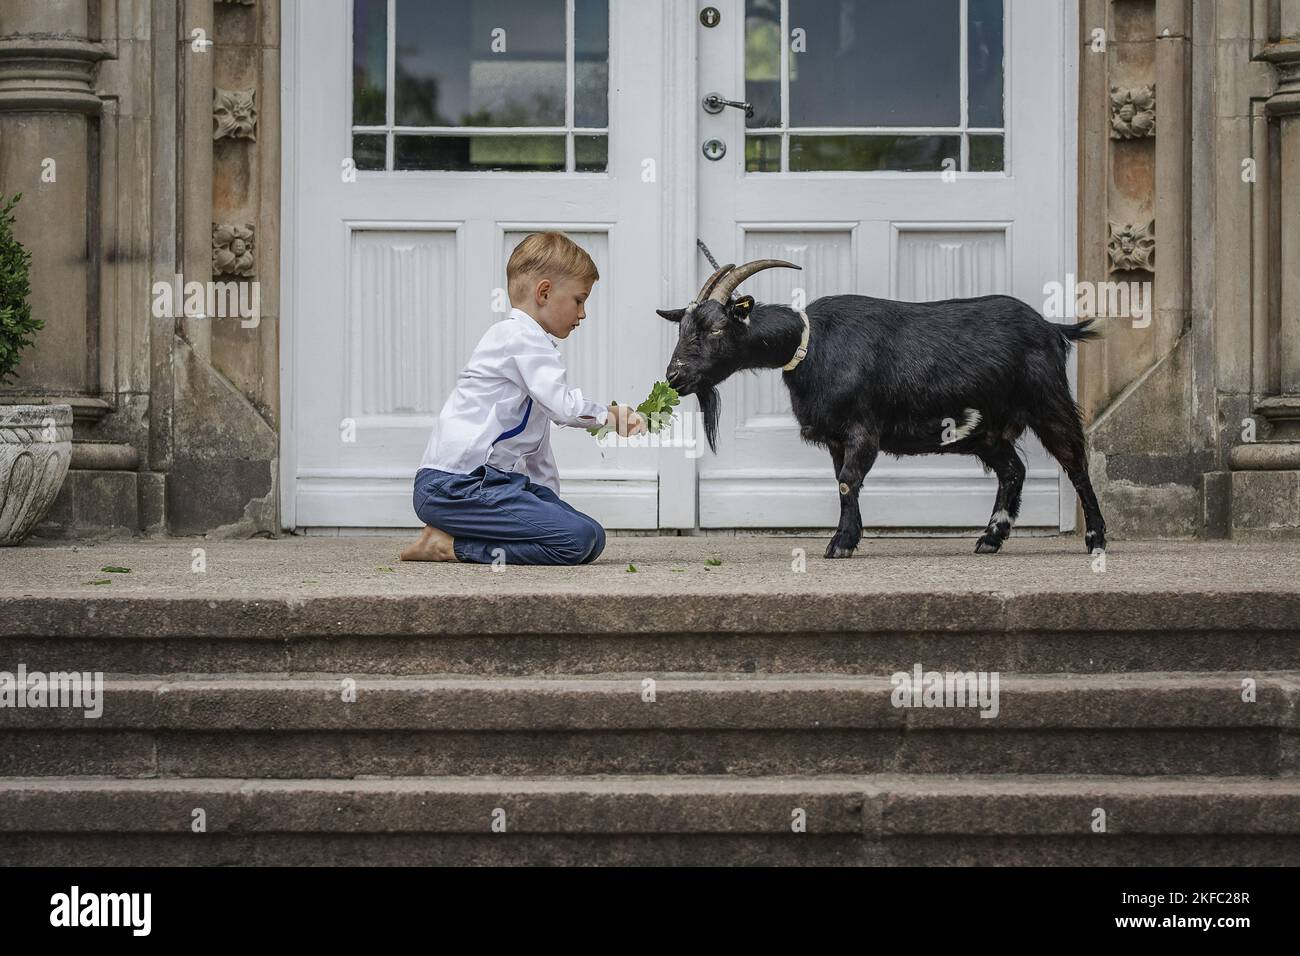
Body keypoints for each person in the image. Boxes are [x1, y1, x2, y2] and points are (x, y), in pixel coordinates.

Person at [400, 231, 644, 565]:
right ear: (544, 292)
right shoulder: (518, 337)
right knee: (576, 540)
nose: (583, 313)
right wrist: (610, 415)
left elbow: (537, 450)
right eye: (579, 300)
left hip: (490, 486)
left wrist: (549, 505)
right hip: (453, 487)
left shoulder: (532, 348)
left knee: (591, 536)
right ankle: (448, 547)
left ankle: (453, 537)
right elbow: (562, 409)